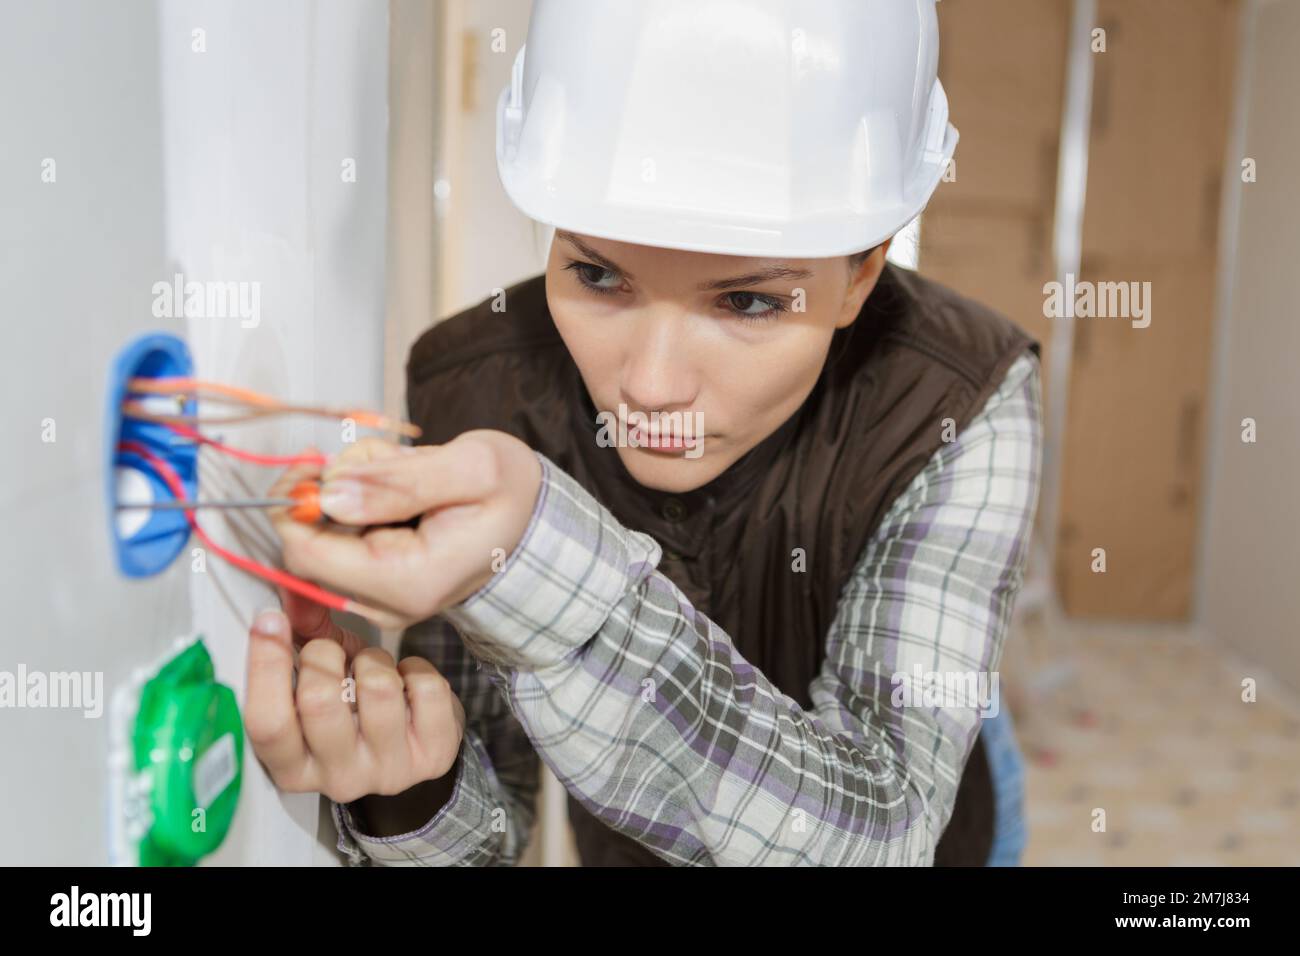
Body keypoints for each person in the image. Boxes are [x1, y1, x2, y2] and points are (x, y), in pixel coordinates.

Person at [244, 0, 1043, 866]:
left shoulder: (964, 399)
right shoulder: (473, 385)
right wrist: (411, 782)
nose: (649, 386)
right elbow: (492, 833)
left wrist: (536, 559)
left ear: (863, 270)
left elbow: (883, 832)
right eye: (598, 274)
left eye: (748, 301)